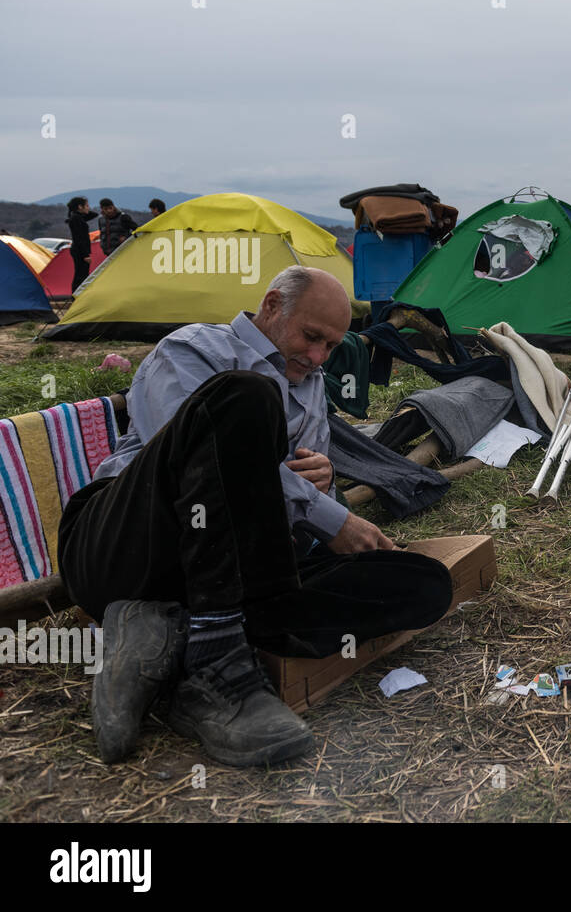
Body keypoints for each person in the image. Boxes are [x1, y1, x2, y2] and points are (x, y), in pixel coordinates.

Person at [57, 267, 454, 768]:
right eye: (312, 337)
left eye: (331, 347)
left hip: (228, 571)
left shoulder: (309, 380)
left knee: (423, 584)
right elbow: (196, 463)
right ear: (271, 307)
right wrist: (326, 513)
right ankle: (219, 668)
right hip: (128, 546)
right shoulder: (193, 350)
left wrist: (323, 479)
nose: (317, 358)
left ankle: (169, 630)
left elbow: (287, 492)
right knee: (246, 396)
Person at [65, 196, 98, 293]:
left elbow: (94, 215)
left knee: (82, 274)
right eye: (87, 206)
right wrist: (85, 255)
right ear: (80, 207)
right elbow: (79, 238)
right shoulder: (76, 219)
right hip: (79, 251)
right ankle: (77, 296)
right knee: (81, 275)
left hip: (78, 250)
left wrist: (84, 210)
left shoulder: (77, 217)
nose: (88, 208)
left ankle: (78, 295)